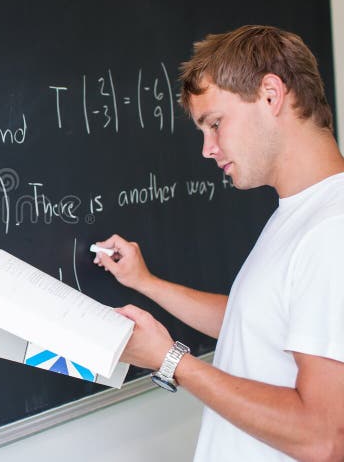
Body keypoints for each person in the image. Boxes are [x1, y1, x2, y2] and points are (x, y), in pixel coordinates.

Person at [93, 25, 344, 461]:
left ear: (270, 94)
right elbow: (261, 322)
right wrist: (146, 282)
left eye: (215, 124)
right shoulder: (302, 215)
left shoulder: (332, 229)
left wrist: (171, 360)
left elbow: (325, 437)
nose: (208, 149)